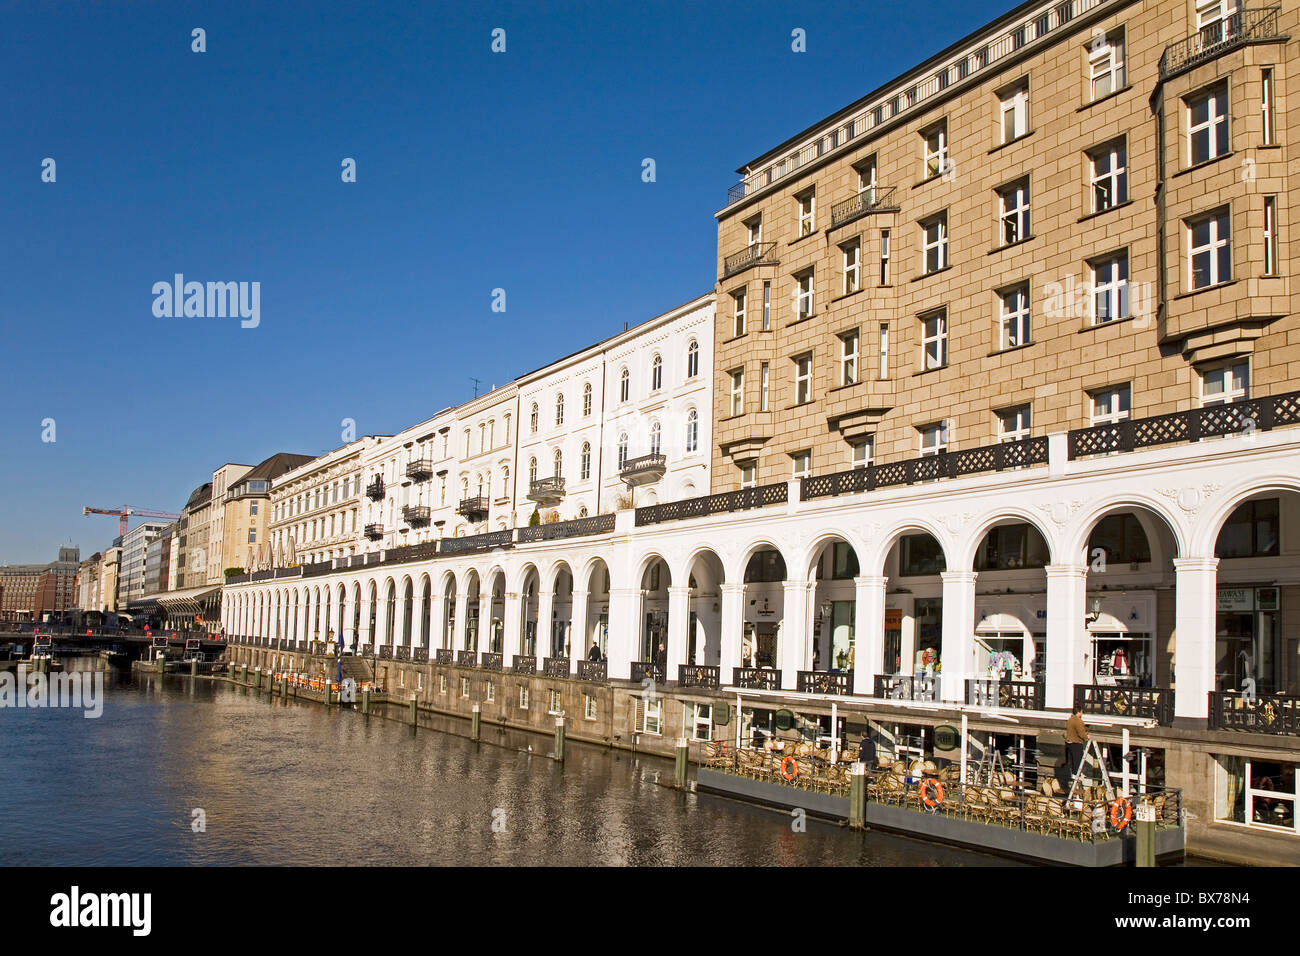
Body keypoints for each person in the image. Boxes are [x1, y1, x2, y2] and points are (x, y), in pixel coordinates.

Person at [1064, 706, 1089, 786]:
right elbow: (1081, 732)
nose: (1082, 714)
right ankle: (1076, 774)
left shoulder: (1070, 720)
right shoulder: (1078, 721)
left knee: (1072, 759)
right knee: (1078, 759)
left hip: (1069, 742)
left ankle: (1074, 773)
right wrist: (1086, 737)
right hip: (1076, 742)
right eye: (1081, 712)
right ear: (1079, 712)